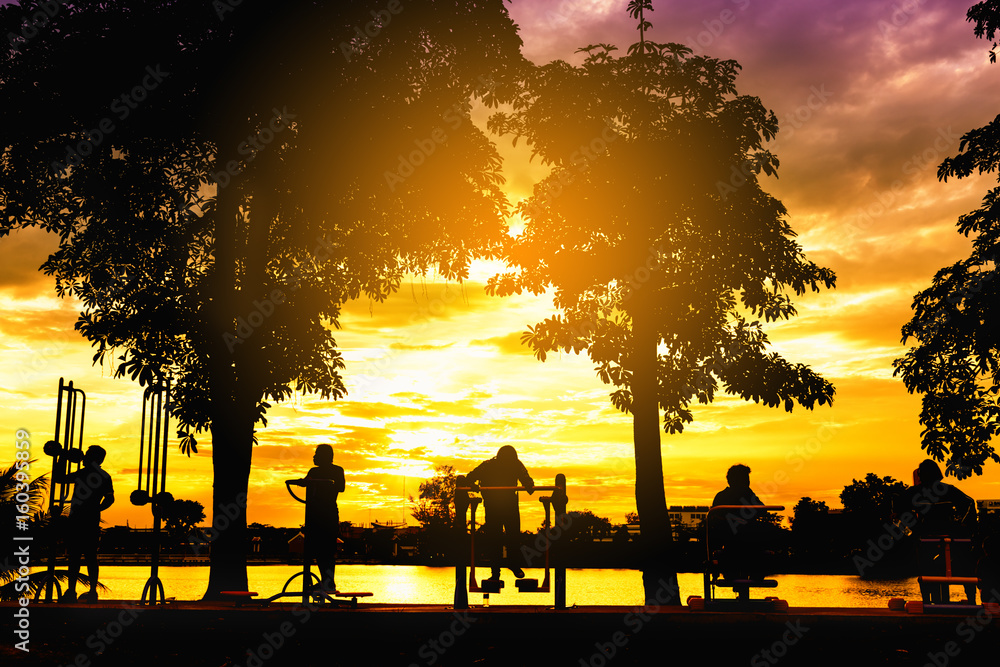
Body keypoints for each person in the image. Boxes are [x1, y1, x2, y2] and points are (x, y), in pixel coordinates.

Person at [903, 459, 977, 603]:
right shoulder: (946, 490)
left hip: (933, 532)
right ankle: (970, 599)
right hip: (939, 532)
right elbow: (969, 503)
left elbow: (899, 508)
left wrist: (913, 526)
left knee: (927, 567)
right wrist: (964, 526)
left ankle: (927, 600)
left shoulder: (916, 493)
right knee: (961, 565)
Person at [53, 445, 115, 603]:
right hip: (90, 520)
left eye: (87, 454)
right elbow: (110, 499)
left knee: (75, 557)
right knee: (90, 557)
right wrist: (97, 508)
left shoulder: (84, 473)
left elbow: (59, 479)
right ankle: (92, 591)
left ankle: (72, 591)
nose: (84, 457)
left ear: (94, 458)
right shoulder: (104, 476)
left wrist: (62, 458)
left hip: (78, 520)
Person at [466, 445, 534, 580]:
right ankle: (496, 573)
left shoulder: (514, 464)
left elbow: (527, 479)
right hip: (494, 508)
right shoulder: (488, 465)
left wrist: (528, 484)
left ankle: (511, 565)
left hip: (508, 507)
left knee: (512, 538)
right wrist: (474, 487)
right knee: (496, 540)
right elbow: (469, 478)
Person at [288, 444, 345, 595]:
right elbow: (306, 481)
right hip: (313, 515)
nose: (313, 457)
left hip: (328, 515)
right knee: (315, 549)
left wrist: (323, 482)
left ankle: (328, 582)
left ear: (325, 456)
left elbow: (341, 487)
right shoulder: (313, 471)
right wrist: (302, 482)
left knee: (327, 549)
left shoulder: (337, 470)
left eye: (316, 454)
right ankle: (321, 582)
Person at [709, 464, 766, 581]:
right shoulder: (730, 496)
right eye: (746, 479)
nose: (748, 482)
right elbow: (762, 510)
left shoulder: (746, 495)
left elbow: (762, 510)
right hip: (732, 539)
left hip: (740, 540)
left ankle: (752, 574)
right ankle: (753, 574)